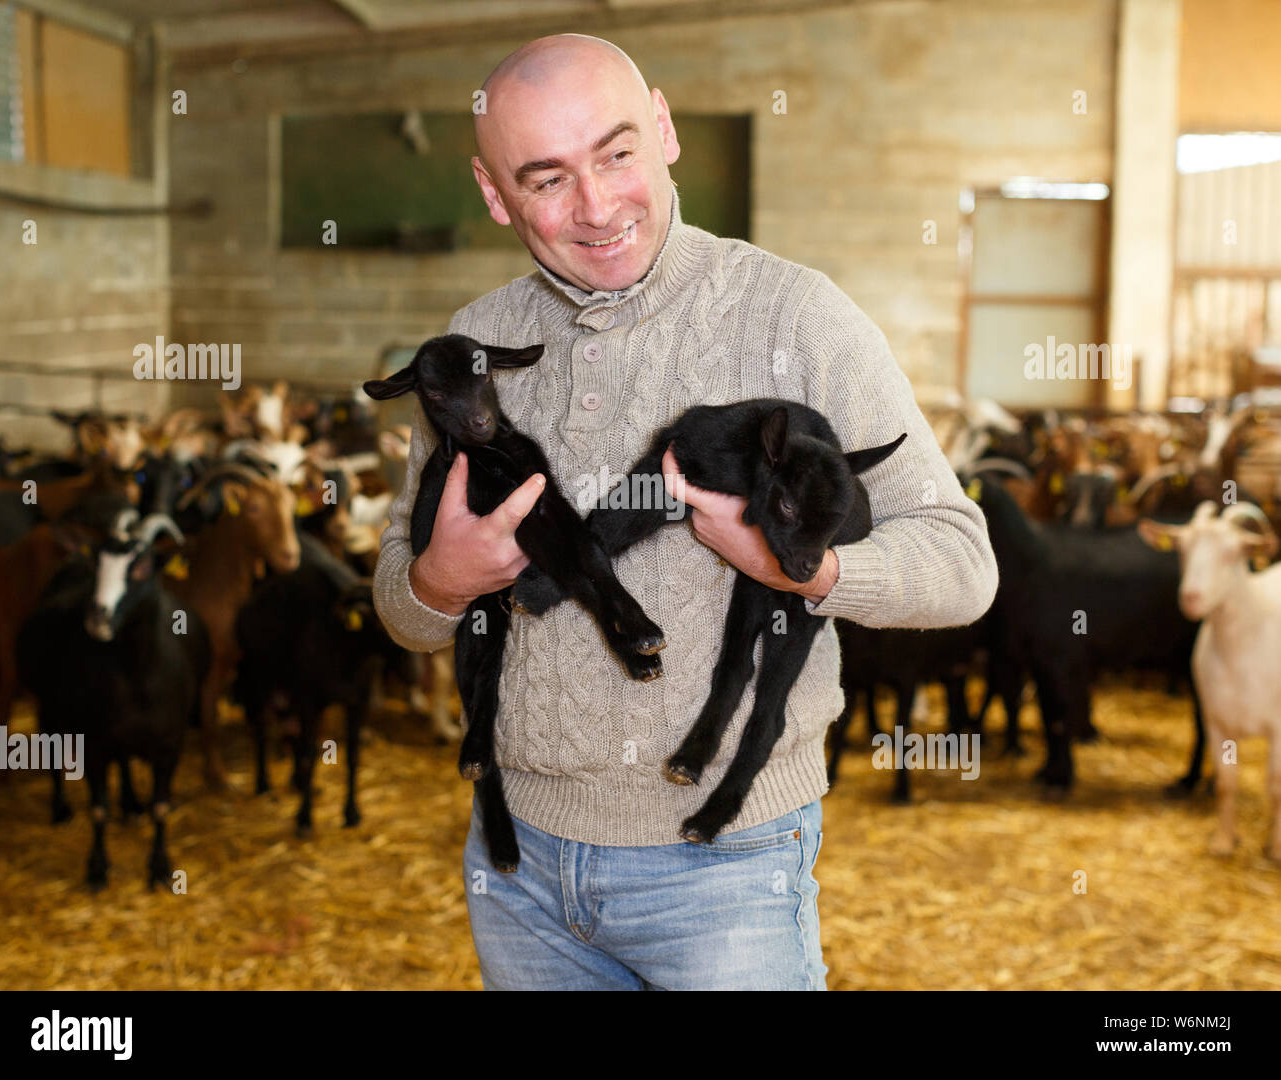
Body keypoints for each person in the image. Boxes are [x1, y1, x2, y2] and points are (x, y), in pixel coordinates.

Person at [373, 33, 998, 990]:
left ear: (663, 130)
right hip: (517, 869)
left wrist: (804, 564)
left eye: (616, 153)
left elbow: (963, 564)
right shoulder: (471, 349)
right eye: (544, 179)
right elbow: (402, 606)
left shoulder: (797, 317)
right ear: (495, 193)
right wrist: (436, 584)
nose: (594, 206)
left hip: (727, 873)